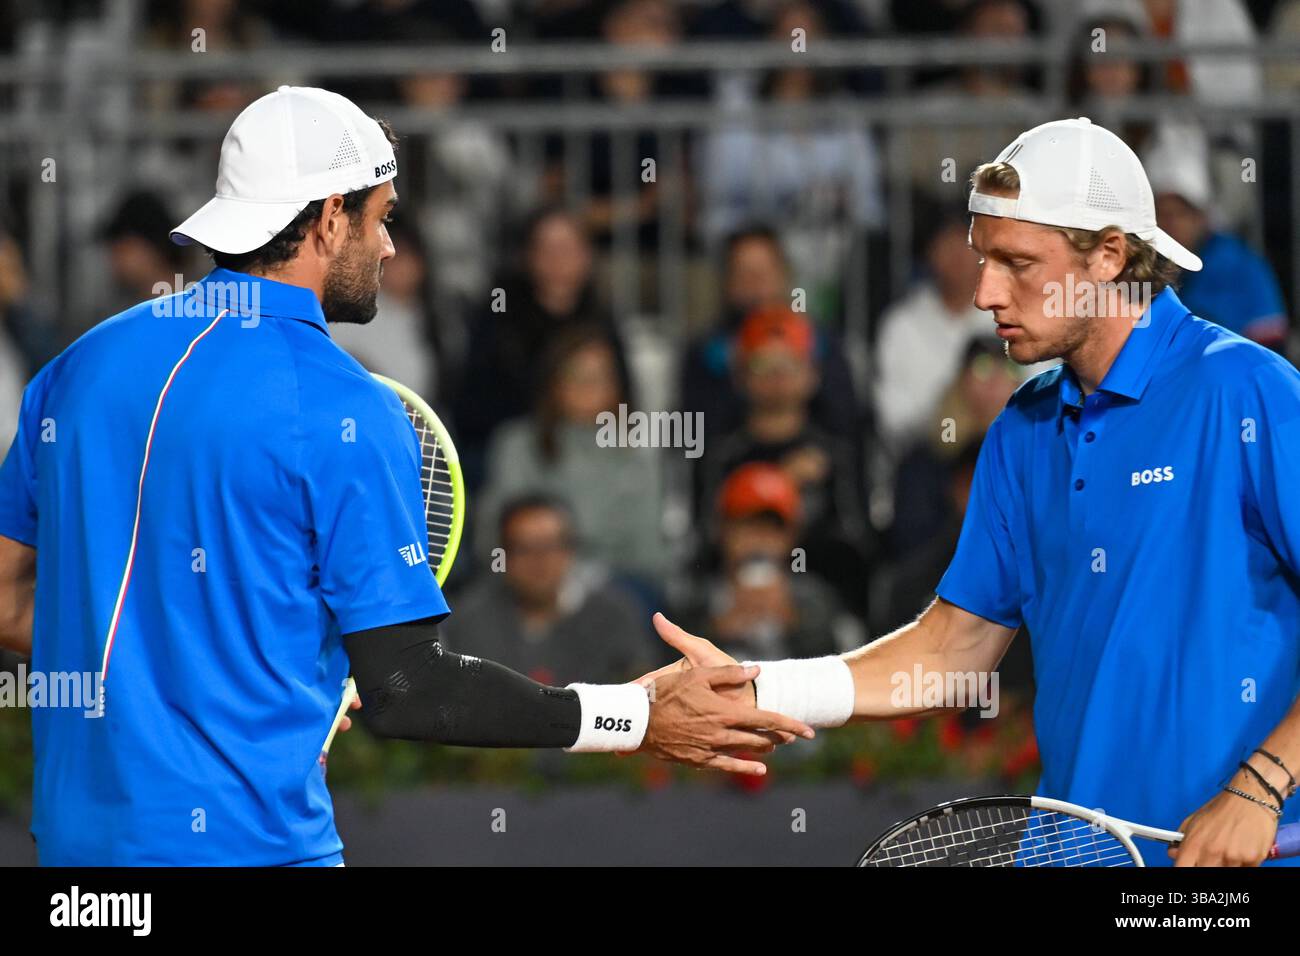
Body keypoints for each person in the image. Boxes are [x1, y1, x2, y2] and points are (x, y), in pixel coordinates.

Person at [0, 87, 811, 867]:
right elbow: (408, 687)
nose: (390, 246)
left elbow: (11, 603)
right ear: (327, 220)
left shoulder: (74, 370)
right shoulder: (343, 407)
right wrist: (635, 713)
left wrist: (236, 668)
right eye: (382, 218)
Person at [652, 118, 1300, 867]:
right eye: (983, 260)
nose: (986, 292)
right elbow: (951, 651)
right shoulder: (1022, 430)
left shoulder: (1248, 393)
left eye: (1017, 263)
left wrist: (1261, 784)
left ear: (1111, 256)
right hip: (1071, 856)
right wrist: (758, 690)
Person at [477, 325, 668, 585]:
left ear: (617, 387)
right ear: (554, 383)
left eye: (598, 377)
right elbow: (492, 542)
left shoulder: (638, 457)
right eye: (575, 375)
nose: (586, 387)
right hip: (525, 585)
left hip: (613, 587)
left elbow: (649, 556)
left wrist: (584, 582)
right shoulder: (515, 445)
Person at [443, 495, 654, 686]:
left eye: (550, 546)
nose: (539, 561)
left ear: (571, 550)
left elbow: (641, 691)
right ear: (503, 556)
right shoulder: (467, 621)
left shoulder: (614, 616)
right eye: (524, 548)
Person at [678, 462, 861, 662]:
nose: (759, 540)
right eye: (747, 526)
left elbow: (836, 673)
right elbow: (666, 674)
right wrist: (716, 632)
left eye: (771, 530)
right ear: (723, 531)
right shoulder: (695, 601)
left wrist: (792, 620)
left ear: (791, 537)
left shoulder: (815, 599)